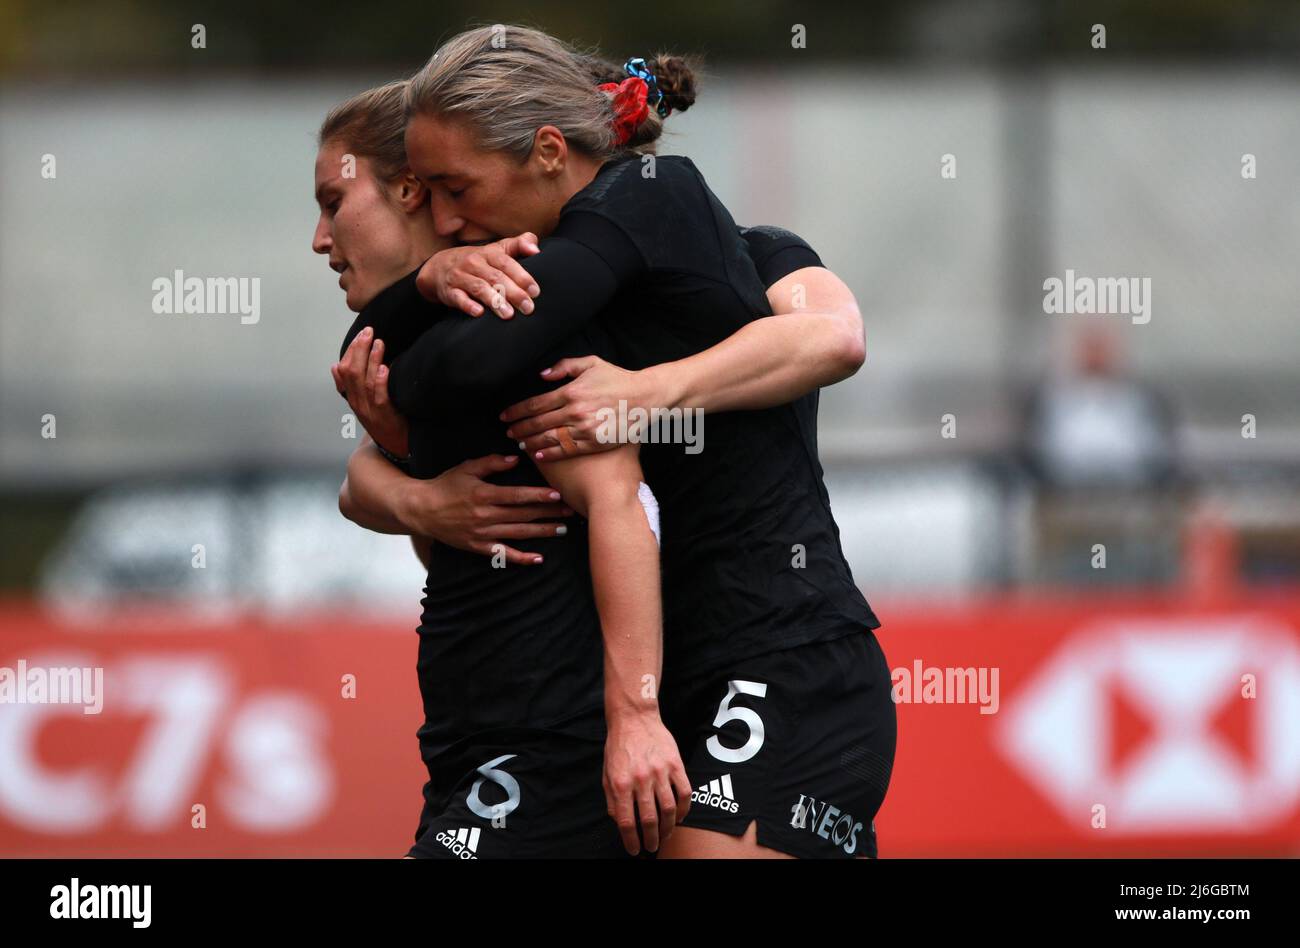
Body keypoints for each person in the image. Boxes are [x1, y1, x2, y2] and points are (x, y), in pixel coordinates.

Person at [342, 26, 895, 858]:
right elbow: (409, 446)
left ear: (552, 151)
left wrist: (642, 395)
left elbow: (836, 340)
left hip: (784, 653)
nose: (452, 220)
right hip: (676, 676)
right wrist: (418, 479)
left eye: (458, 188)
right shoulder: (572, 303)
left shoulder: (733, 240)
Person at [314, 79, 687, 858]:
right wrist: (425, 495)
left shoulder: (507, 317)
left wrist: (637, 717)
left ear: (410, 192)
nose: (321, 238)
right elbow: (384, 503)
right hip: (470, 746)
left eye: (333, 202)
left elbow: (624, 501)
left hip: (546, 745)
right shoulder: (430, 344)